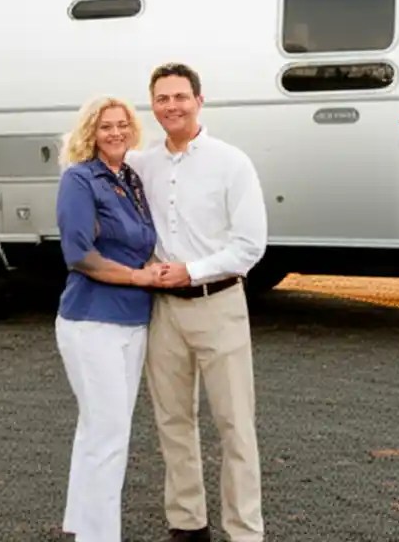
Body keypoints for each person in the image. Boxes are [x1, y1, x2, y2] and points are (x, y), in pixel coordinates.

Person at [127, 63, 269, 542]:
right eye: (162, 98)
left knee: (235, 425)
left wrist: (193, 269)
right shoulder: (142, 164)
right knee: (172, 421)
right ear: (154, 105)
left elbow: (250, 246)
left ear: (199, 101)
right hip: (164, 310)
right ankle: (187, 523)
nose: (172, 106)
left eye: (180, 97)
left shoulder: (232, 163)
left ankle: (244, 531)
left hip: (219, 304)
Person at [54, 94, 164, 542]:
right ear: (89, 134)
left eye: (122, 124)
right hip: (91, 321)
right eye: (104, 126)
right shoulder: (80, 180)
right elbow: (80, 255)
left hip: (132, 322)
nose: (115, 132)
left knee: (98, 429)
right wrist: (139, 278)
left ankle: (83, 526)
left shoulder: (132, 180)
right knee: (110, 434)